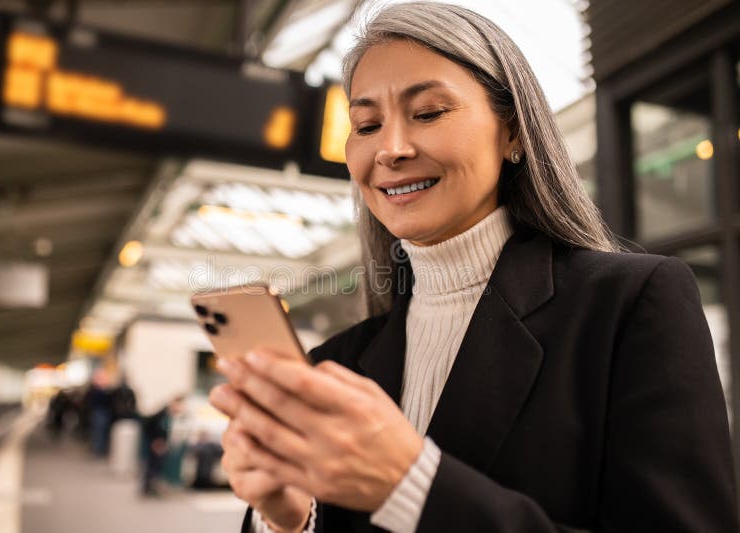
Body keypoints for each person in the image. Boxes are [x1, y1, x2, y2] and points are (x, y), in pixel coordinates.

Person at [209, 2, 737, 532]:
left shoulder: (628, 306)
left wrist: (413, 485)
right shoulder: (339, 364)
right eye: (366, 124)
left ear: (512, 132)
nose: (390, 149)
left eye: (429, 113)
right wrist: (290, 519)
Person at [141, 395, 184, 497]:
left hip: (158, 443)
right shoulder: (162, 415)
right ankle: (148, 487)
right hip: (156, 443)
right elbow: (155, 428)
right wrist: (156, 441)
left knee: (155, 466)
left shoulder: (165, 414)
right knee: (153, 467)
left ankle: (150, 487)